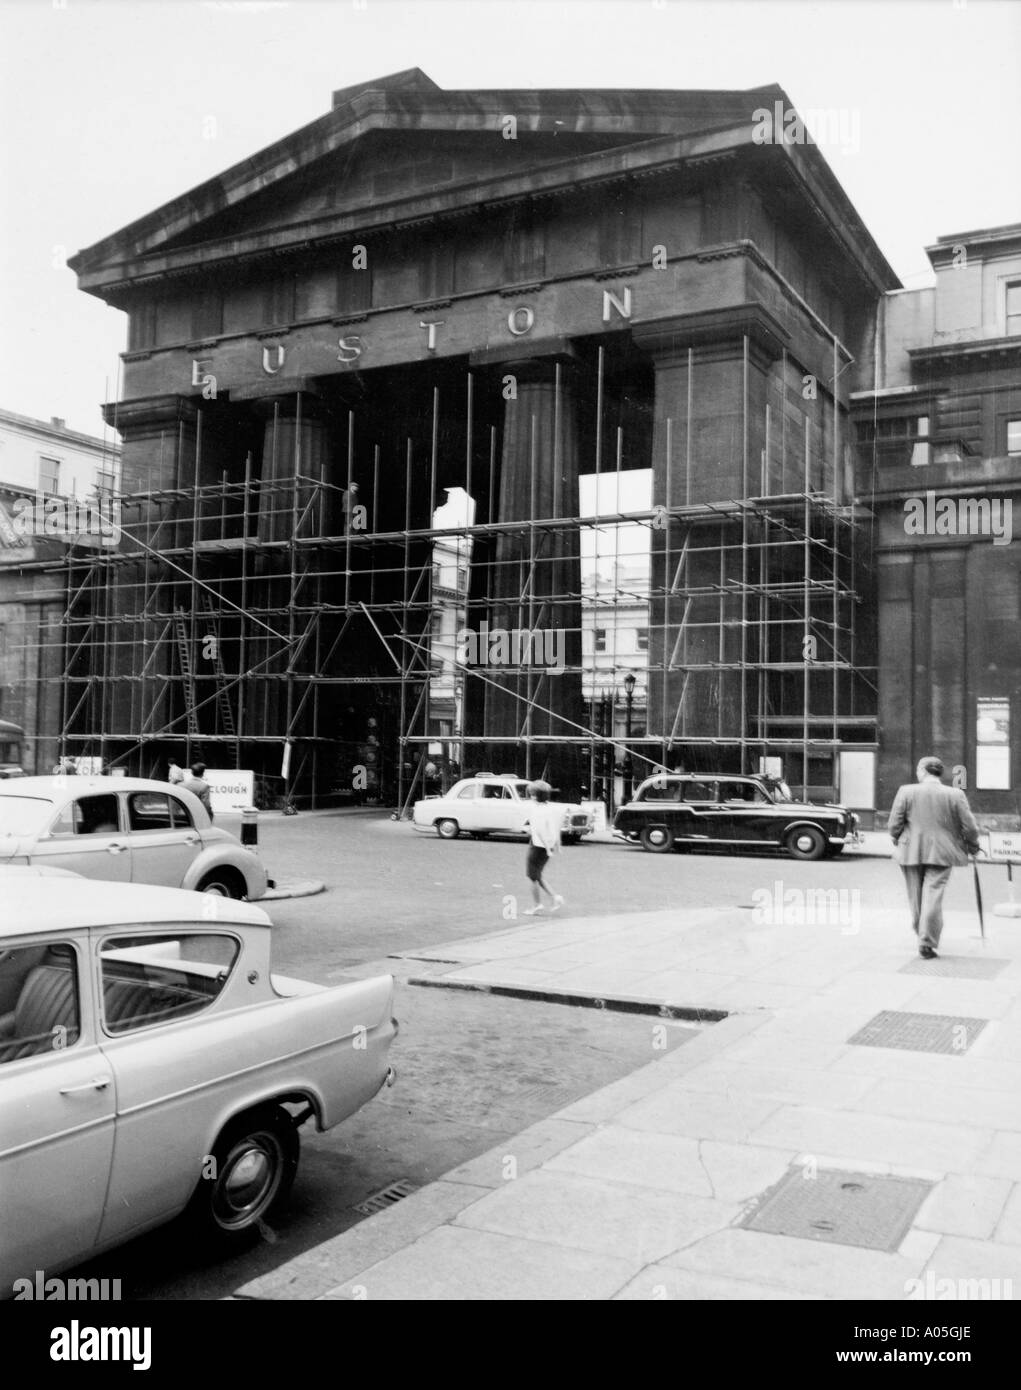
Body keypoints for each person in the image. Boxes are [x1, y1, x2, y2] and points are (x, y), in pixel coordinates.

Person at [888, 755, 980, 959]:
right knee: (933, 894)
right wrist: (973, 846)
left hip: (910, 849)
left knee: (915, 896)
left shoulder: (906, 791)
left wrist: (896, 838)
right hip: (943, 851)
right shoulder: (955, 794)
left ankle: (921, 933)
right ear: (940, 773)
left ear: (922, 771)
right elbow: (970, 827)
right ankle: (926, 941)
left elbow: (894, 823)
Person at [522, 780, 564, 916]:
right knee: (537, 874)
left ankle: (537, 905)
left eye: (531, 793)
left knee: (532, 876)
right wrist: (556, 846)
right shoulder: (551, 809)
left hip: (538, 845)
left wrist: (546, 847)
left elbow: (538, 830)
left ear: (535, 795)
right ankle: (555, 897)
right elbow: (556, 828)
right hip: (549, 845)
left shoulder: (536, 810)